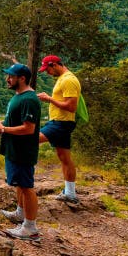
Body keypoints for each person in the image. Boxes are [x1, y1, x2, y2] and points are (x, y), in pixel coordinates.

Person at [0, 63, 42, 241]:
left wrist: (3, 129)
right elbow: (16, 121)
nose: (7, 79)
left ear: (22, 78)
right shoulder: (19, 97)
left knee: (27, 187)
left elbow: (29, 129)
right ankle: (20, 214)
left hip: (23, 151)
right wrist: (1, 124)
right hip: (15, 150)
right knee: (20, 184)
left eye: (11, 76)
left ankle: (30, 228)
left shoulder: (29, 99)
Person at [36, 55, 81, 203]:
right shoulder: (63, 78)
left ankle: (20, 175)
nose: (47, 73)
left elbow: (71, 107)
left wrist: (49, 99)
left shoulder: (69, 80)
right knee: (64, 157)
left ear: (54, 65)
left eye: (47, 69)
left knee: (29, 139)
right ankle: (70, 193)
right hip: (60, 122)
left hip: (60, 123)